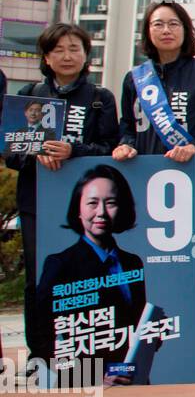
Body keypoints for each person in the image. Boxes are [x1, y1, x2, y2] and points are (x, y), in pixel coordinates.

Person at [112, 0, 195, 361]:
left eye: (173, 24)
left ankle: (190, 351)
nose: (166, 30)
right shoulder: (136, 79)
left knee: (188, 266)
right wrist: (126, 145)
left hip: (192, 183)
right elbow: (126, 126)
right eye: (158, 24)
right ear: (148, 32)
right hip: (141, 184)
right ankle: (142, 346)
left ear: (185, 31)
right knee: (142, 264)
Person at [6, 24, 120, 379]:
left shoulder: (100, 98)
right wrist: (34, 153)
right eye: (58, 50)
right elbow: (10, 153)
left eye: (74, 48)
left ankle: (90, 352)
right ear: (46, 57)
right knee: (39, 278)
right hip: (37, 198)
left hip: (85, 201)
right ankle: (40, 353)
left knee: (90, 274)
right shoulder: (29, 94)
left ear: (86, 55)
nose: (67, 56)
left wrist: (75, 150)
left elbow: (111, 150)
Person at [34, 164, 146, 385]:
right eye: (92, 203)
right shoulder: (60, 264)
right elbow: (43, 334)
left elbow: (139, 326)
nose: (101, 212)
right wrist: (89, 376)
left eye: (111, 203)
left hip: (130, 379)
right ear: (78, 209)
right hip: (81, 382)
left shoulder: (132, 263)